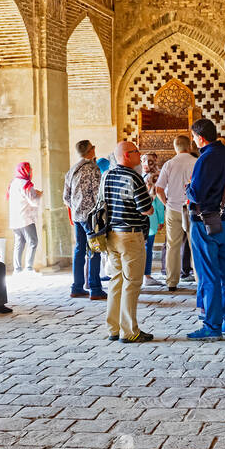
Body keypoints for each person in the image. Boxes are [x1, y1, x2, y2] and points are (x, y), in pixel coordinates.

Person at [185, 118, 225, 342]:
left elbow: (196, 194)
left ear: (200, 137)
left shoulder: (205, 158)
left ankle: (212, 325)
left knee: (208, 275)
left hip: (205, 222)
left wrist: (187, 188)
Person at [103, 140, 155, 343]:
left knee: (116, 281)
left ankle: (113, 328)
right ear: (126, 155)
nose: (139, 154)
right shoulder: (134, 176)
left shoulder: (107, 175)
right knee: (132, 283)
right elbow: (145, 209)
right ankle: (129, 331)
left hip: (111, 235)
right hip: (130, 235)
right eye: (136, 151)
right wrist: (150, 205)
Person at [63, 140, 106, 301]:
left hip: (77, 217)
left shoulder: (72, 170)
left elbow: (65, 197)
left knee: (79, 250)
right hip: (91, 218)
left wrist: (76, 207)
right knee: (95, 249)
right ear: (92, 150)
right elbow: (98, 194)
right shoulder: (93, 169)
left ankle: (77, 287)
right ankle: (95, 288)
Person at [155, 135, 196, 291]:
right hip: (192, 209)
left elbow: (159, 190)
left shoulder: (169, 164)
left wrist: (167, 204)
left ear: (175, 147)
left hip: (173, 209)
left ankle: (172, 282)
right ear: (189, 147)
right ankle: (200, 280)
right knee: (195, 245)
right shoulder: (196, 163)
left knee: (173, 245)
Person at [7, 161, 41, 274]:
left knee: (19, 242)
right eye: (30, 169)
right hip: (25, 217)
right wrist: (39, 195)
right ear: (25, 170)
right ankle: (29, 268)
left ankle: (17, 269)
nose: (31, 171)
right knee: (33, 241)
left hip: (15, 219)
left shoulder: (13, 183)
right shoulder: (26, 184)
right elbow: (34, 202)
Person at [140, 151, 166, 284]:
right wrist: (161, 220)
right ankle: (147, 276)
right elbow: (158, 201)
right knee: (148, 247)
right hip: (151, 216)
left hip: (139, 215)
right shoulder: (156, 175)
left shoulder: (138, 174)